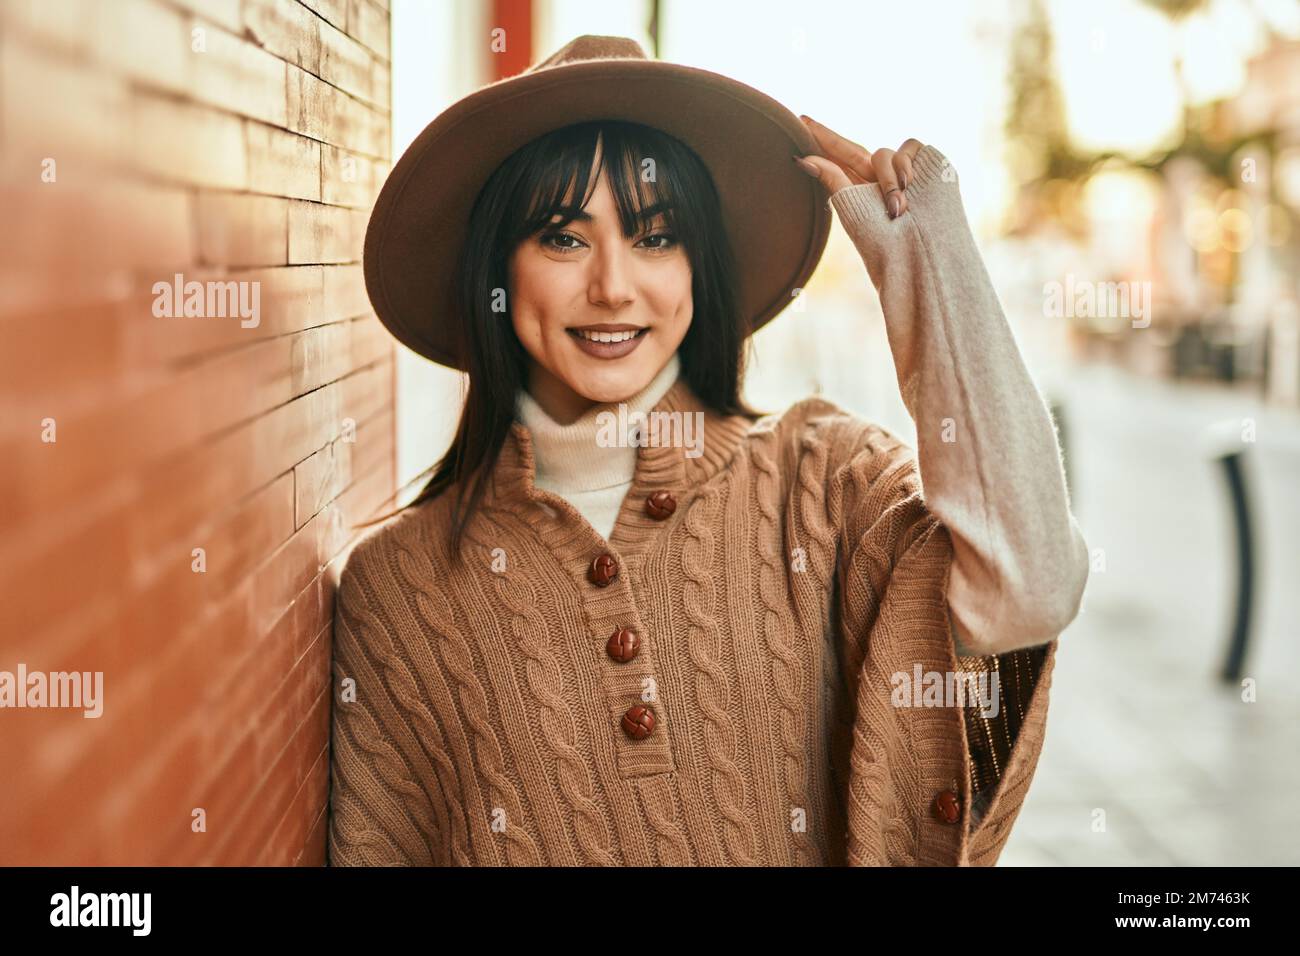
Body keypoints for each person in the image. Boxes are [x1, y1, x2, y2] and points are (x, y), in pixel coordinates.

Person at [327, 35, 1089, 866]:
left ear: (699, 268)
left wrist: (927, 268)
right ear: (497, 271)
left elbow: (1029, 583)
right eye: (562, 238)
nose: (614, 286)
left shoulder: (825, 481)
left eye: (656, 238)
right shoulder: (394, 587)